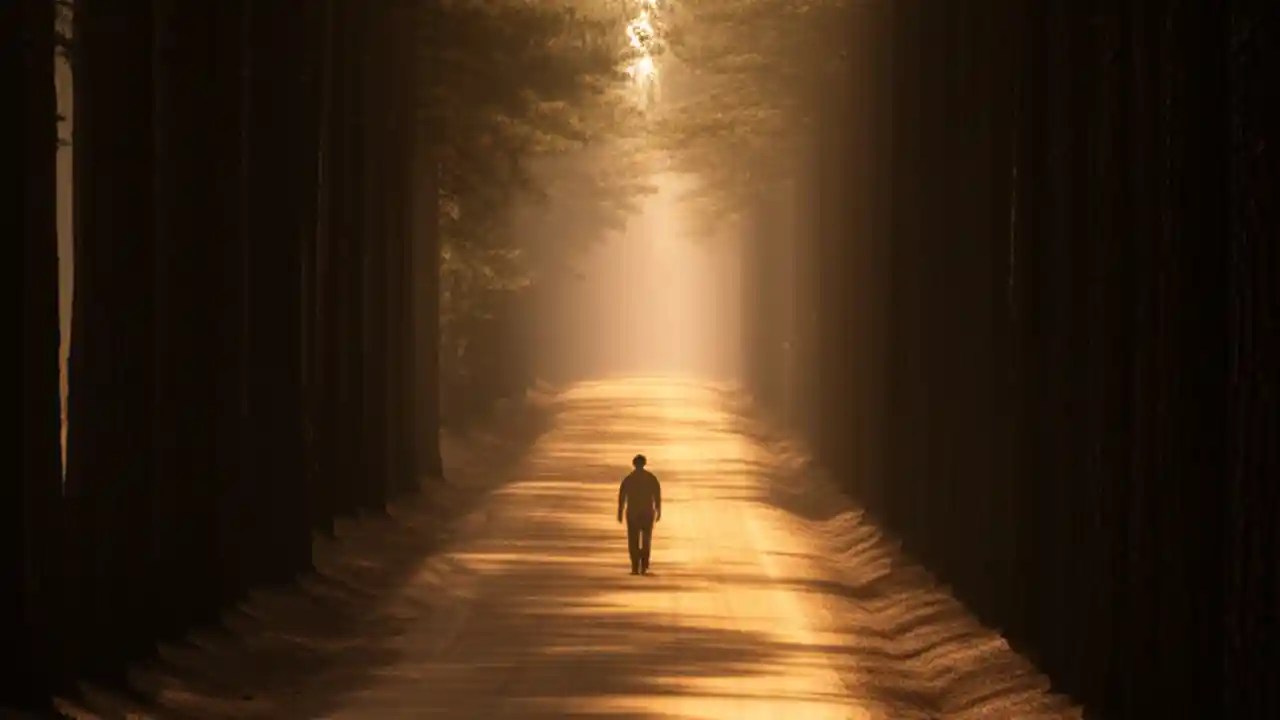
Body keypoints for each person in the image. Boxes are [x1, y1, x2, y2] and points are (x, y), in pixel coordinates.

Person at [617, 454, 661, 575]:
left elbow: (622, 496)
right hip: (647, 512)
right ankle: (644, 562)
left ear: (634, 464)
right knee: (646, 539)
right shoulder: (651, 478)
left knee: (633, 539)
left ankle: (635, 564)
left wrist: (620, 511)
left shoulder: (629, 479)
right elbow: (657, 495)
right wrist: (658, 509)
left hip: (633, 513)